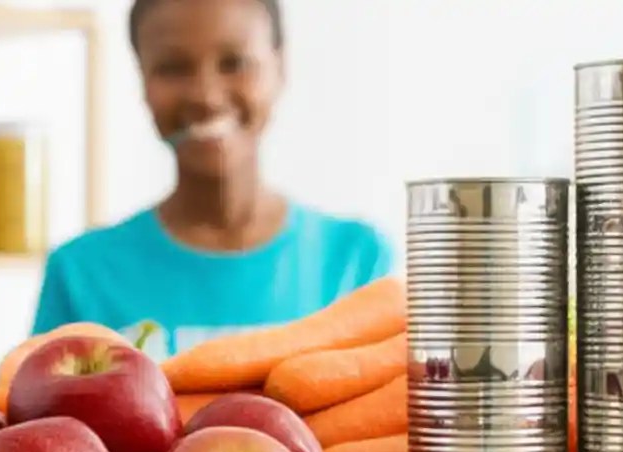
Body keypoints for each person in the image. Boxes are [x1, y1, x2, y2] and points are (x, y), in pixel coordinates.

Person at [31, 0, 395, 361]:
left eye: (234, 63)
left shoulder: (356, 261)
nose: (206, 95)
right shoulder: (81, 272)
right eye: (173, 68)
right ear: (142, 79)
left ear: (280, 67)